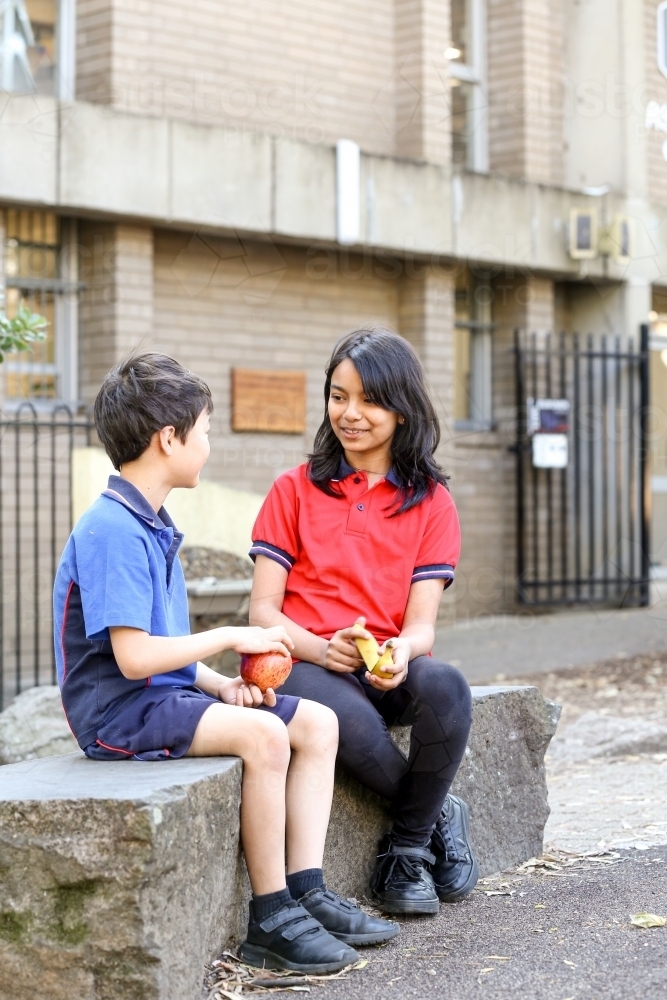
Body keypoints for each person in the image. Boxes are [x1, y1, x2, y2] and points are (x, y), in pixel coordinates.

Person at [53, 353, 398, 974]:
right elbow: (133, 661)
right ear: (168, 439)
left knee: (318, 724)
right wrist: (233, 634)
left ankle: (306, 891)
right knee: (265, 734)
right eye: (205, 431)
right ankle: (270, 917)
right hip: (118, 715)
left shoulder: (151, 523)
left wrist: (223, 685)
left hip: (160, 699)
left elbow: (166, 649)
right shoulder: (111, 531)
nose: (209, 444)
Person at [249, 328, 478, 915]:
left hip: (385, 663)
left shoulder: (431, 500)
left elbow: (422, 625)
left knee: (447, 686)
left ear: (403, 409)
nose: (349, 414)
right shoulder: (292, 490)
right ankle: (433, 812)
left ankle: (403, 850)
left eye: (368, 400)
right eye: (337, 396)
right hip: (303, 660)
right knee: (337, 714)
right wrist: (321, 650)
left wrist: (401, 650)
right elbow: (263, 612)